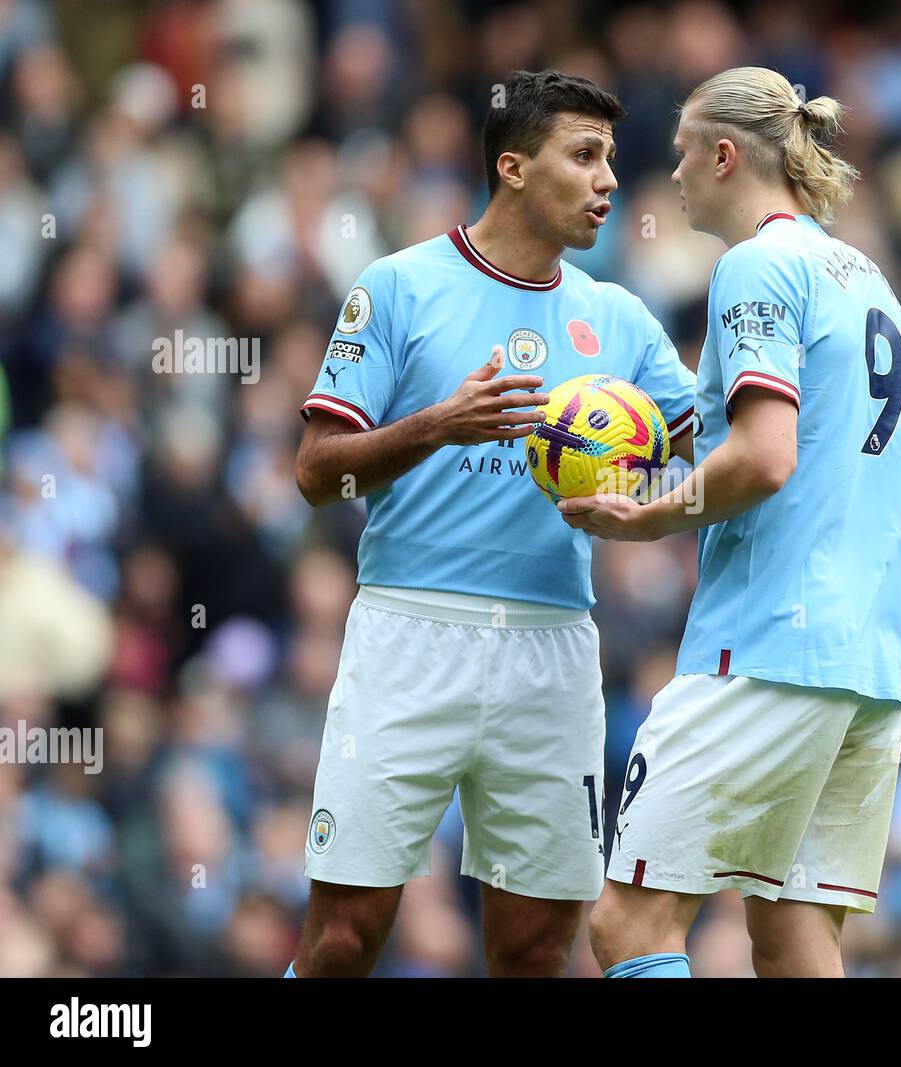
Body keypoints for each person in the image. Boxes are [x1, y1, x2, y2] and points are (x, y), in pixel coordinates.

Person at [286, 69, 695, 978]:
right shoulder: (396, 287)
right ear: (512, 167)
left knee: (536, 948)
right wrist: (441, 423)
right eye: (583, 156)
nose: (608, 181)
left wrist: (654, 500)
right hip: (407, 632)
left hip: (552, 645)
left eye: (612, 159)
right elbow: (316, 472)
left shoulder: (618, 318)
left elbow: (708, 442)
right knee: (345, 938)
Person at [559, 67, 901, 978]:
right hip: (868, 661)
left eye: (681, 155)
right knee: (795, 942)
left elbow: (765, 454)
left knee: (628, 924)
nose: (671, 176)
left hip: (765, 649)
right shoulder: (866, 274)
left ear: (725, 154)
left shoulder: (754, 264)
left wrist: (643, 519)